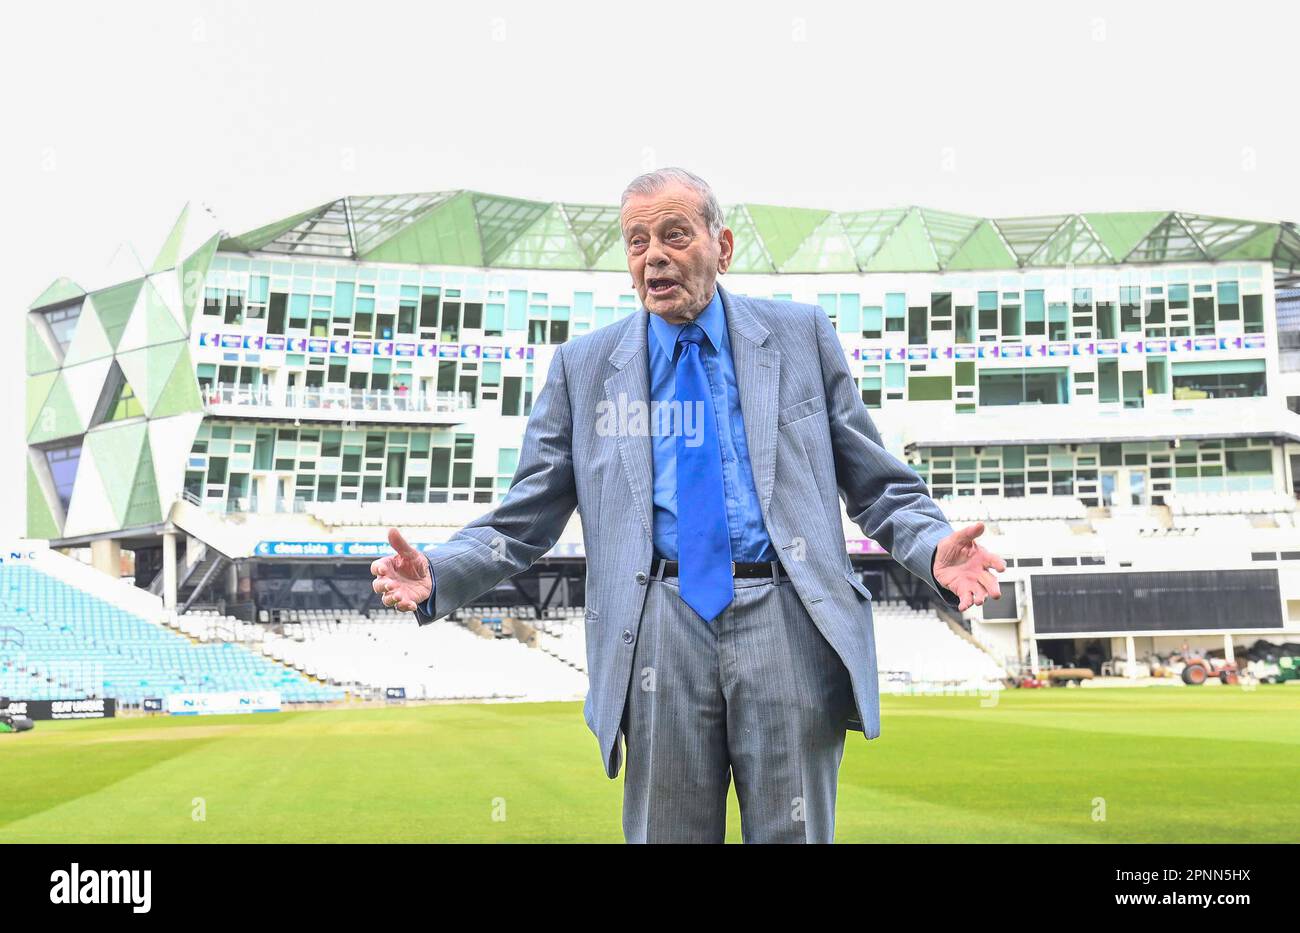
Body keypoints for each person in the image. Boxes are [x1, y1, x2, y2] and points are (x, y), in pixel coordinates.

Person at [371, 168, 1004, 843]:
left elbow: (873, 480)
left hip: (788, 619)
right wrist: (440, 571)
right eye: (637, 241)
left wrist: (931, 544)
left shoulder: (799, 336)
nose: (653, 255)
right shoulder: (583, 369)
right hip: (658, 629)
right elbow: (525, 517)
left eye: (674, 234)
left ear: (722, 246)